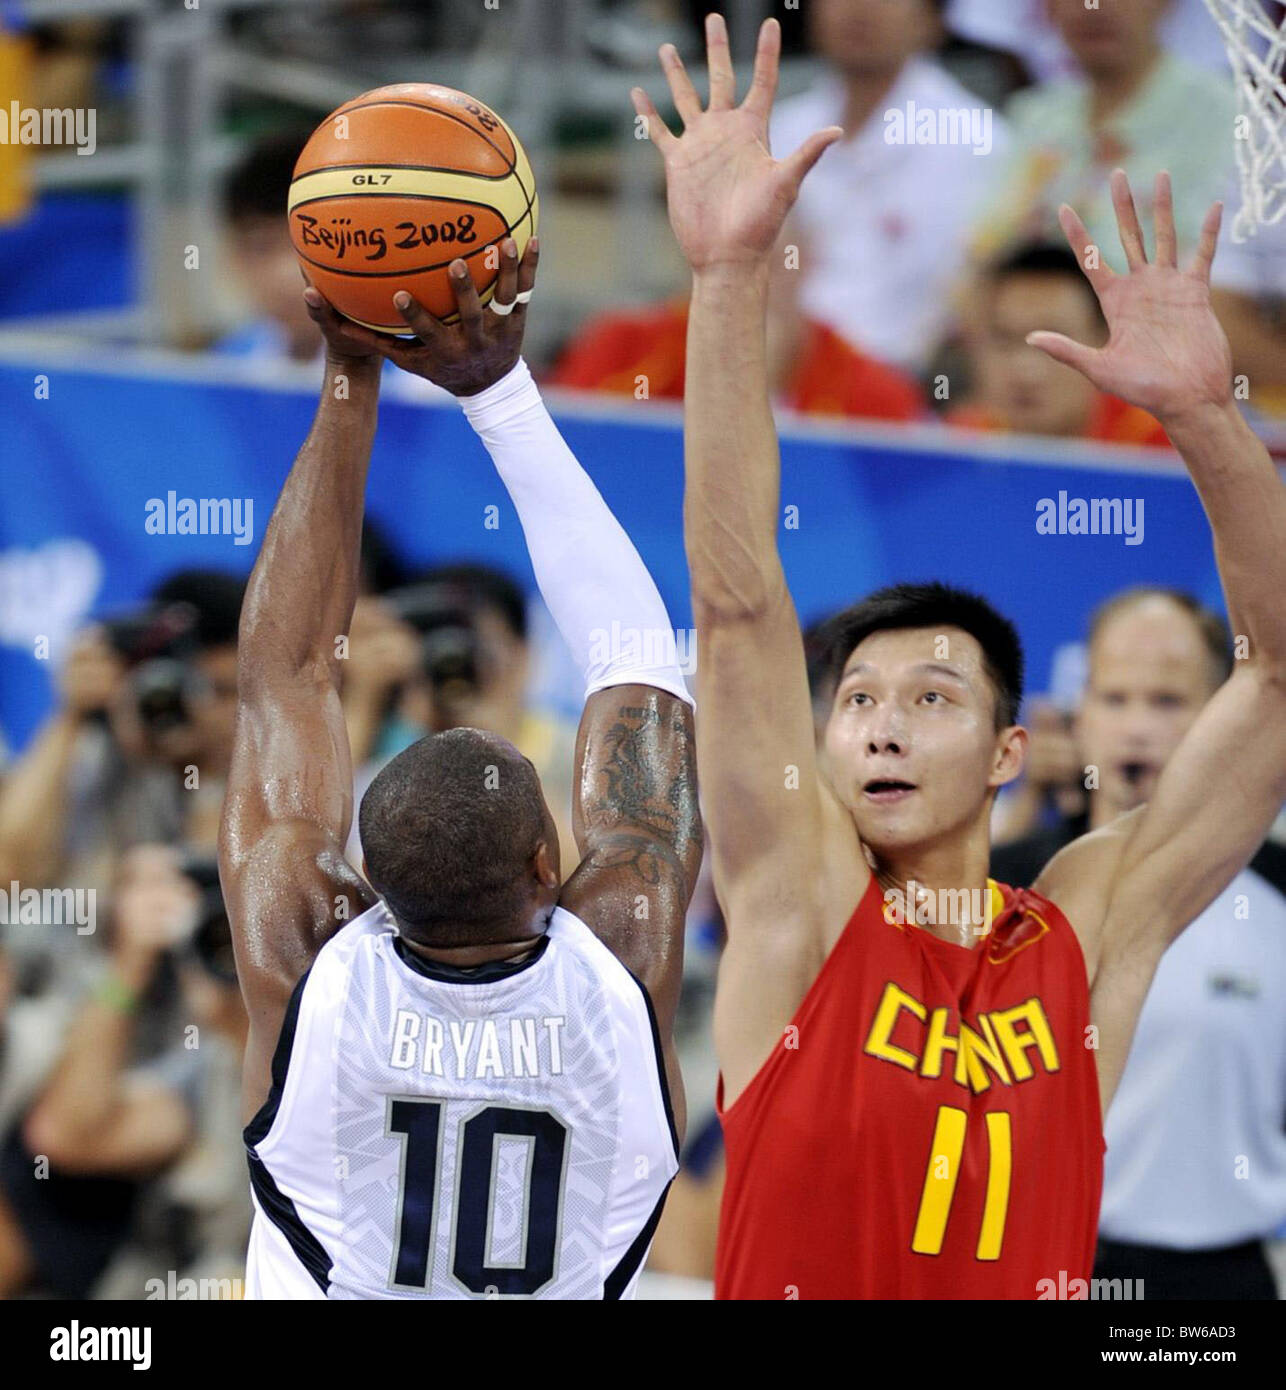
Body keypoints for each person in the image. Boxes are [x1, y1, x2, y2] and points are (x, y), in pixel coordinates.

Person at [633, 13, 1286, 1298]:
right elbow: (735, 600)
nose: (878, 723)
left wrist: (1209, 422)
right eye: (859, 698)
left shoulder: (1089, 925)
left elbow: (1273, 673)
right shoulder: (798, 905)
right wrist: (725, 283)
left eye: (928, 697)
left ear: (1007, 750)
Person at [218, 238, 702, 1299]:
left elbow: (287, 675)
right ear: (550, 863)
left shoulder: (301, 946)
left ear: (358, 885)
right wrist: (498, 392)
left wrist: (348, 370)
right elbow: (639, 664)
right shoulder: (620, 947)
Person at [993, 588, 1286, 1299]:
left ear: (1225, 718)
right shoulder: (1001, 886)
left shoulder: (1279, 896)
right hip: (1033, 1264)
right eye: (1114, 698)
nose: (1136, 729)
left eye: (1166, 701)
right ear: (1079, 713)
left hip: (1220, 1283)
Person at [766, 0, 1010, 374]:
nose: (860, 9)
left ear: (932, 20)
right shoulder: (781, 130)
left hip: (919, 388)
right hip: (791, 379)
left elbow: (972, 302)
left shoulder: (980, 142)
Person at [971, 0, 1236, 265]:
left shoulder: (1228, 114)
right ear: (1048, 8)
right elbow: (982, 252)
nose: (1094, 9)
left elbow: (1220, 267)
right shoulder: (1035, 115)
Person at [948, 241, 1169, 445]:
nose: (1026, 371)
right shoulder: (954, 444)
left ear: (1105, 342)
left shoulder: (1163, 448)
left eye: (1056, 346)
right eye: (1005, 341)